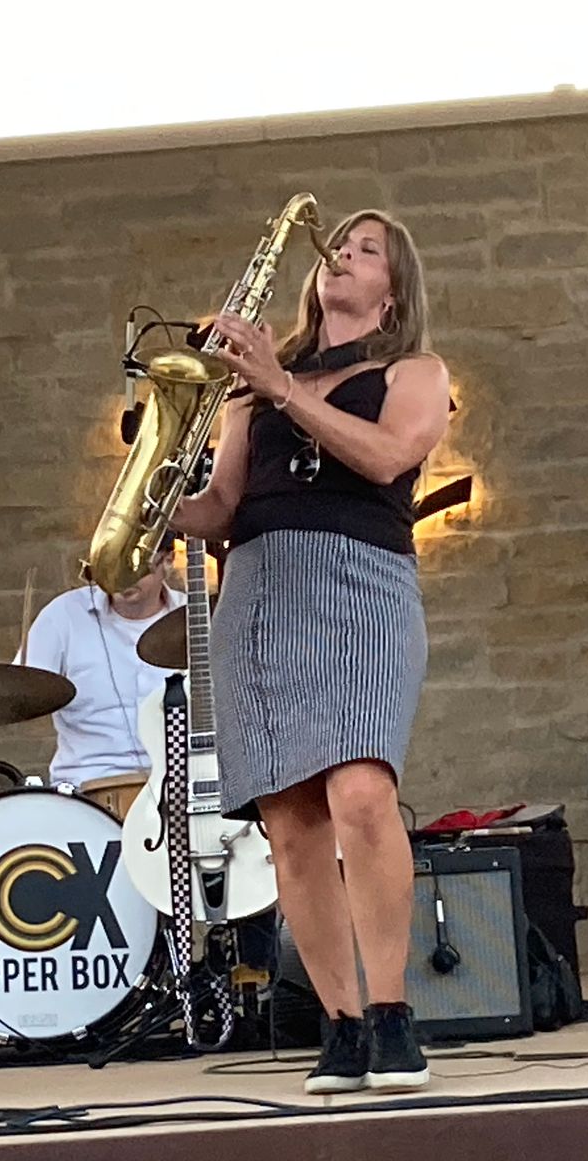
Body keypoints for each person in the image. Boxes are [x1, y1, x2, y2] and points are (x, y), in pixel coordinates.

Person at [171, 210, 451, 1094]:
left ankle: (394, 1015)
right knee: (291, 822)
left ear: (391, 288)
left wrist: (280, 387)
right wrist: (149, 510)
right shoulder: (254, 390)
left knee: (363, 793)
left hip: (361, 580)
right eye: (339, 247)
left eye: (367, 250)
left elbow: (384, 458)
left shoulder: (415, 370)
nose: (344, 256)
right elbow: (223, 505)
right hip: (259, 587)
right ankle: (339, 1024)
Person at [14, 534, 182, 791]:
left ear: (168, 559)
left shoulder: (196, 615)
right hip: (86, 789)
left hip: (182, 787)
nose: (124, 577)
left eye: (137, 566)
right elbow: (16, 693)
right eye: (115, 565)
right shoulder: (63, 616)